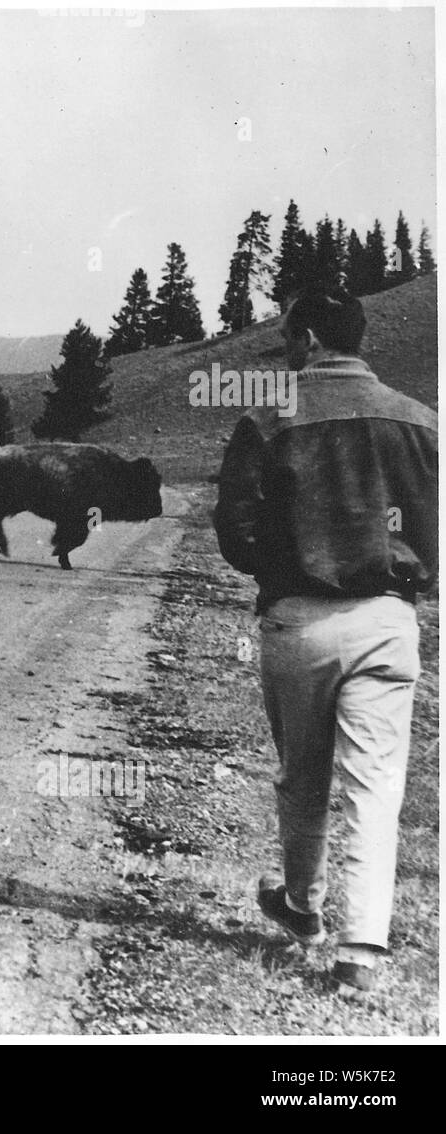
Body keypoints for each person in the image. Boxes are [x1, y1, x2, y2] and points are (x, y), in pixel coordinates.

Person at [213, 286, 437, 995]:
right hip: (387, 619)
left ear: (306, 338)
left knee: (302, 778)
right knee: (376, 788)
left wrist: (283, 564)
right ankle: (362, 950)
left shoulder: (266, 418)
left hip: (298, 619)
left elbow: (236, 532)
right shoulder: (420, 421)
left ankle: (304, 911)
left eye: (286, 338)